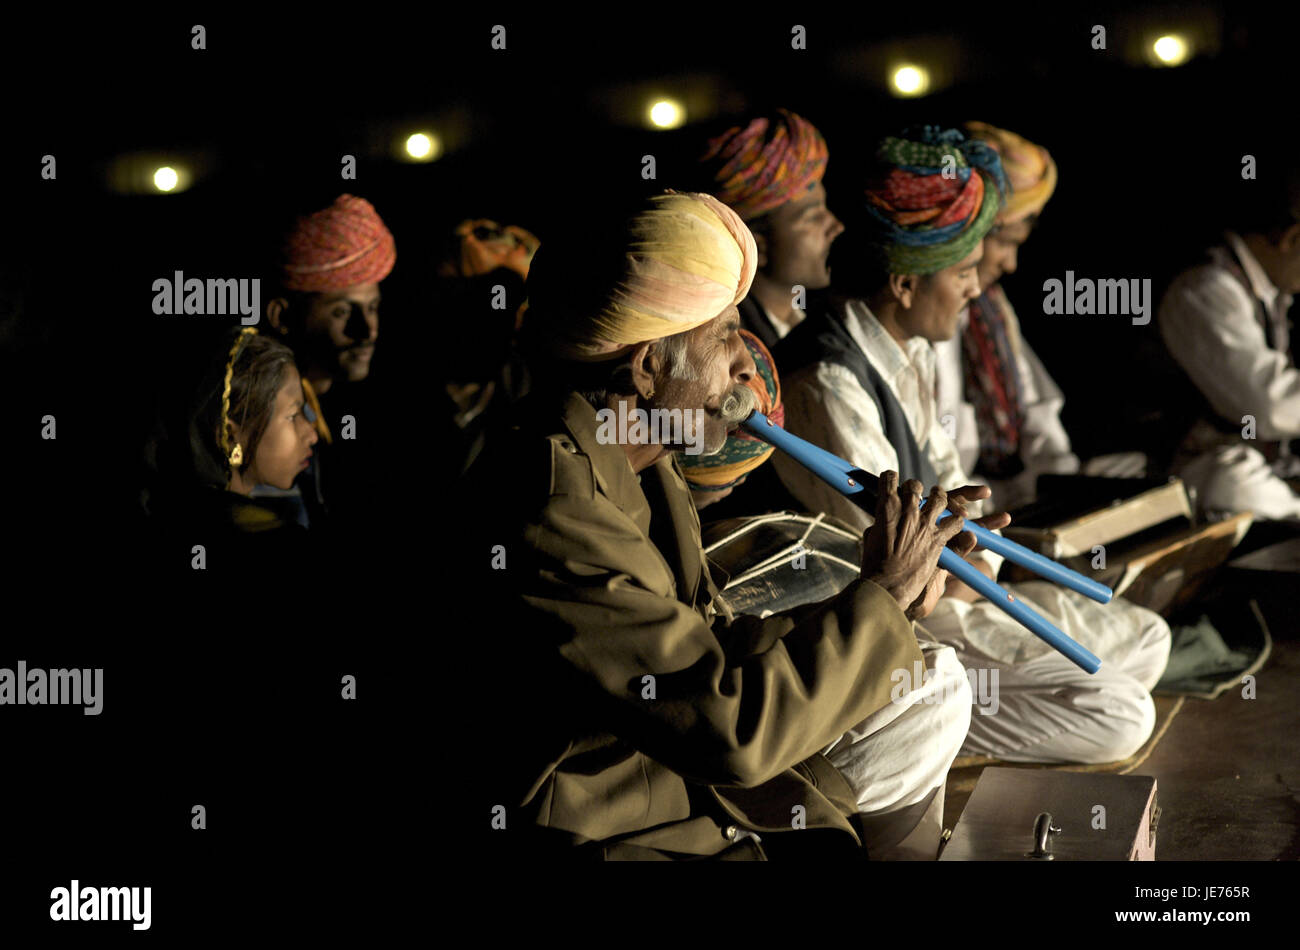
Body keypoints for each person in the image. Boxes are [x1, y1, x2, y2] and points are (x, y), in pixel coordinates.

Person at [464, 190, 978, 860]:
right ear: (646, 368)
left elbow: (711, 645)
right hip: (614, 826)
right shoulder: (549, 506)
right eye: (726, 335)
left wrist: (888, 591)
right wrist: (880, 593)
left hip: (686, 774)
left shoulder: (646, 458)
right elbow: (729, 731)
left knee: (930, 681)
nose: (747, 363)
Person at [774, 126, 1172, 765]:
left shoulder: (913, 345)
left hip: (960, 588)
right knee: (1122, 712)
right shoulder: (826, 380)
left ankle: (996, 712)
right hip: (909, 623)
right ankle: (936, 734)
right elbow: (901, 565)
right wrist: (968, 558)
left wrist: (974, 552)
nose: (977, 287)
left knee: (1149, 638)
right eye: (964, 272)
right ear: (905, 284)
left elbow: (962, 502)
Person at [931, 122, 1144, 512]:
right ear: (973, 235)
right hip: (968, 504)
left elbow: (1037, 413)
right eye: (1005, 243)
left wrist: (1063, 491)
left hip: (1020, 493)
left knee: (1135, 474)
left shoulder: (990, 309)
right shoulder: (930, 318)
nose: (1010, 264)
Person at [1156, 150, 1300, 522]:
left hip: (1260, 463)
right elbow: (1267, 404)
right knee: (1232, 479)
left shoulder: (1269, 293)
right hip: (1187, 466)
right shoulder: (1204, 289)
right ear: (1291, 238)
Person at [259, 194, 397, 530]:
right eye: (341, 311)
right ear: (282, 316)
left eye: (373, 307)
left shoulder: (332, 403)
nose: (367, 330)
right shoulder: (262, 416)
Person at [142, 327, 320, 573]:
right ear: (229, 435)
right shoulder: (273, 545)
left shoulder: (166, 516)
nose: (312, 435)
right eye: (292, 415)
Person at [696, 109, 843, 351]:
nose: (836, 227)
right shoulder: (732, 350)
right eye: (813, 217)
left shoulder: (817, 318)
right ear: (757, 245)